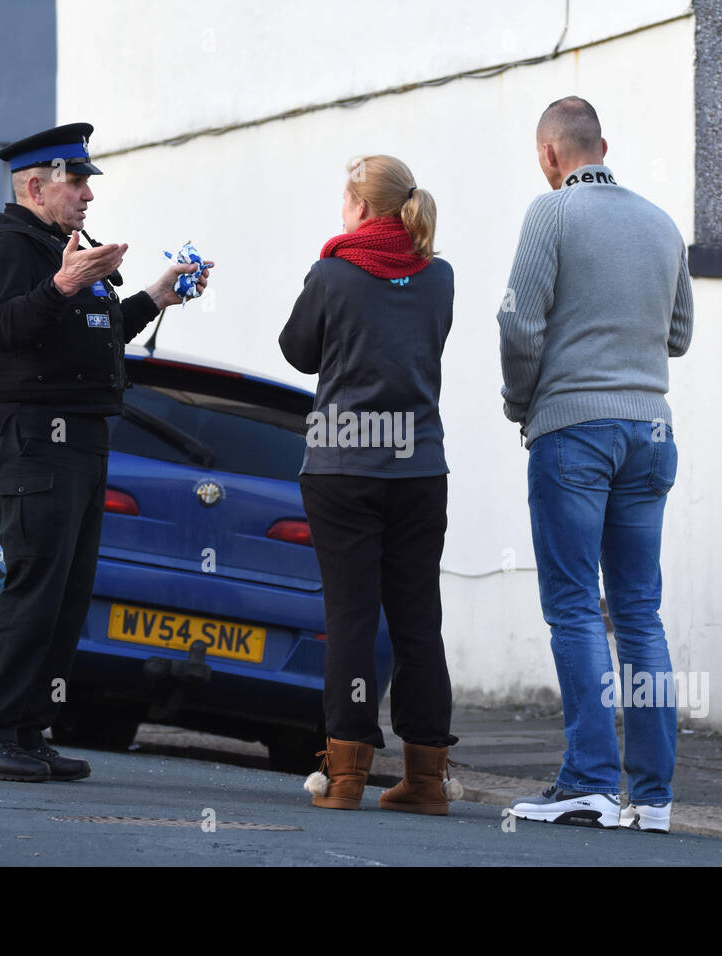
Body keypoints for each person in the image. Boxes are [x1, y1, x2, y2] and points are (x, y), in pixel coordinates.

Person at [0, 123, 210, 782]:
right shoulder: (5, 247)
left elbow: (100, 329)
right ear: (36, 185)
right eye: (77, 180)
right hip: (34, 438)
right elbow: (1, 330)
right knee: (35, 582)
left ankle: (28, 729)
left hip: (80, 440)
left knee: (66, 593)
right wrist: (60, 286)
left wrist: (155, 295)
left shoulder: (64, 249)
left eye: (89, 181)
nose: (88, 193)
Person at [498, 97, 693, 831]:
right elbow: (679, 334)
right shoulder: (661, 223)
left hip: (574, 431)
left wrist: (523, 402)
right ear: (602, 147)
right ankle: (652, 796)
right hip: (652, 432)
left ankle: (587, 781)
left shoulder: (551, 216)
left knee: (576, 606)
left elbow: (518, 321)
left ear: (551, 155)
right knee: (639, 612)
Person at [279, 154, 461, 813]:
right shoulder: (438, 277)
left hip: (343, 469)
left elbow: (297, 351)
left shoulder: (332, 272)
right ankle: (427, 780)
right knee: (419, 621)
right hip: (419, 468)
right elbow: (425, 344)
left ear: (360, 206)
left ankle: (347, 773)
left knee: (351, 618)